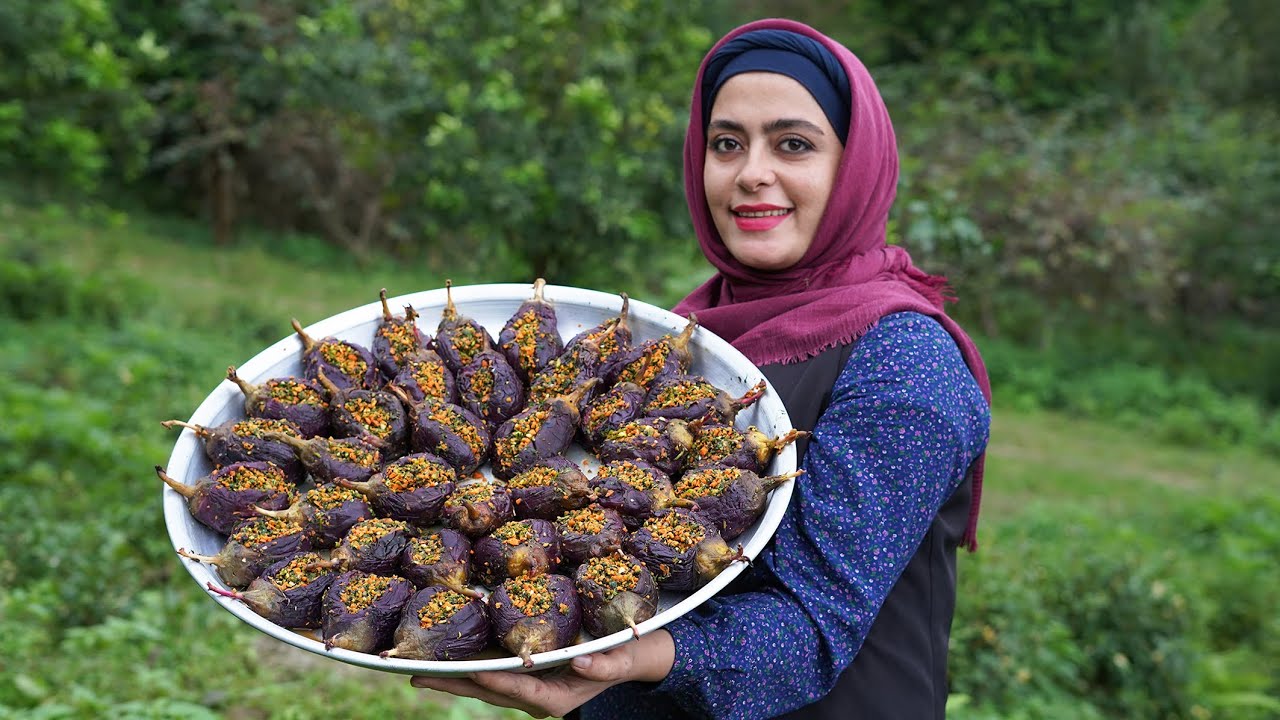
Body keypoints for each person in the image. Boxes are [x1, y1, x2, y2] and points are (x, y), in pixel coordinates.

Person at [411, 17, 991, 719]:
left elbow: (812, 625)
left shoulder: (907, 363)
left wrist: (636, 659)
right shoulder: (693, 331)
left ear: (856, 168)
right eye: (727, 143)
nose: (751, 173)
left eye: (794, 144)